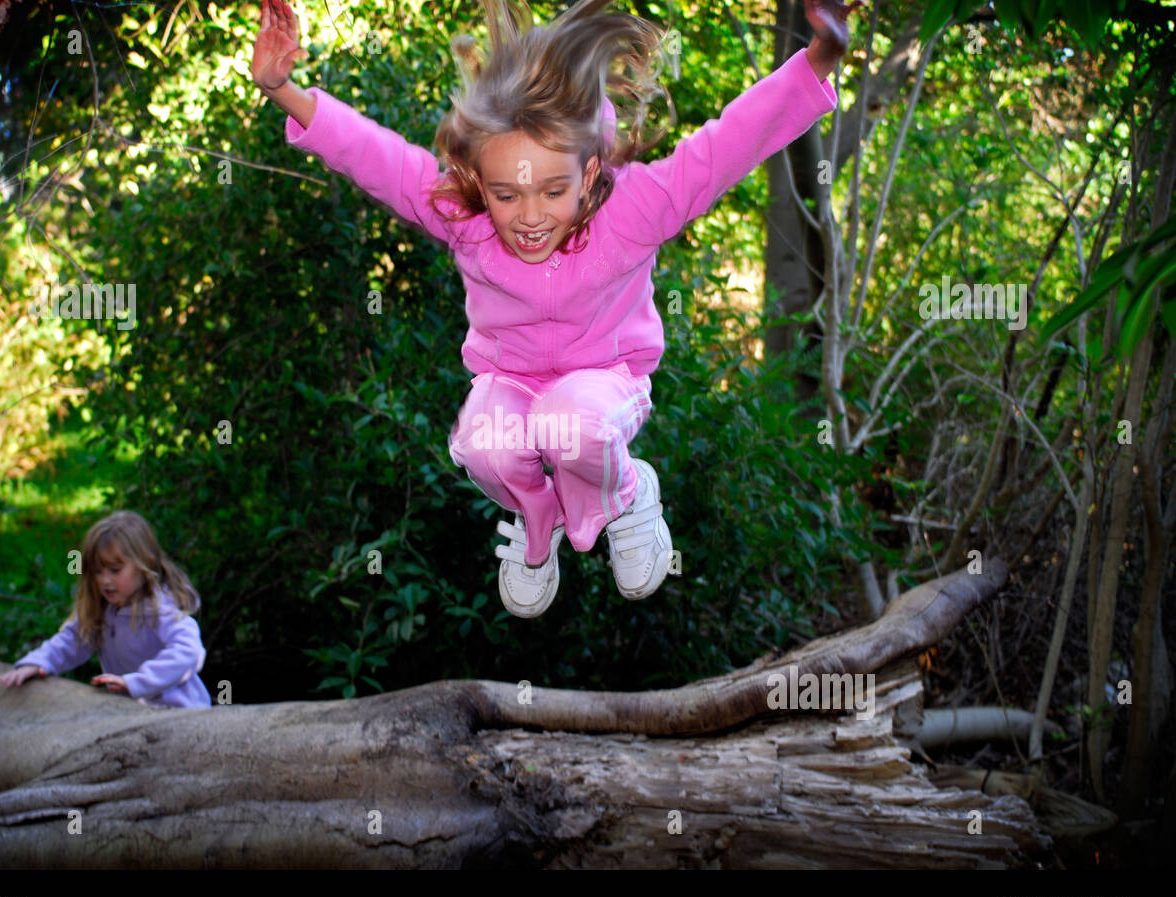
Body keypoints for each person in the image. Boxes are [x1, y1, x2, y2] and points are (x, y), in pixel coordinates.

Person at [252, 0, 854, 617]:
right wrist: (283, 90)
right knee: (481, 441)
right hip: (510, 383)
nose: (531, 215)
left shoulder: (635, 208)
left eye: (553, 190)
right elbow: (378, 158)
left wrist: (817, 61)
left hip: (605, 384)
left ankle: (624, 492)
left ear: (590, 172)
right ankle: (538, 523)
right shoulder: (467, 220)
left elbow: (726, 144)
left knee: (571, 421)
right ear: (478, 181)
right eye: (507, 193)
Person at [0, 510, 211, 709]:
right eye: (97, 571)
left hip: (180, 711)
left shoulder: (161, 608)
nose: (105, 580)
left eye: (115, 570)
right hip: (129, 714)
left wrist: (136, 683)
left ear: (145, 564)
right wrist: (37, 662)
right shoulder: (104, 609)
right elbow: (73, 639)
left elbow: (189, 652)